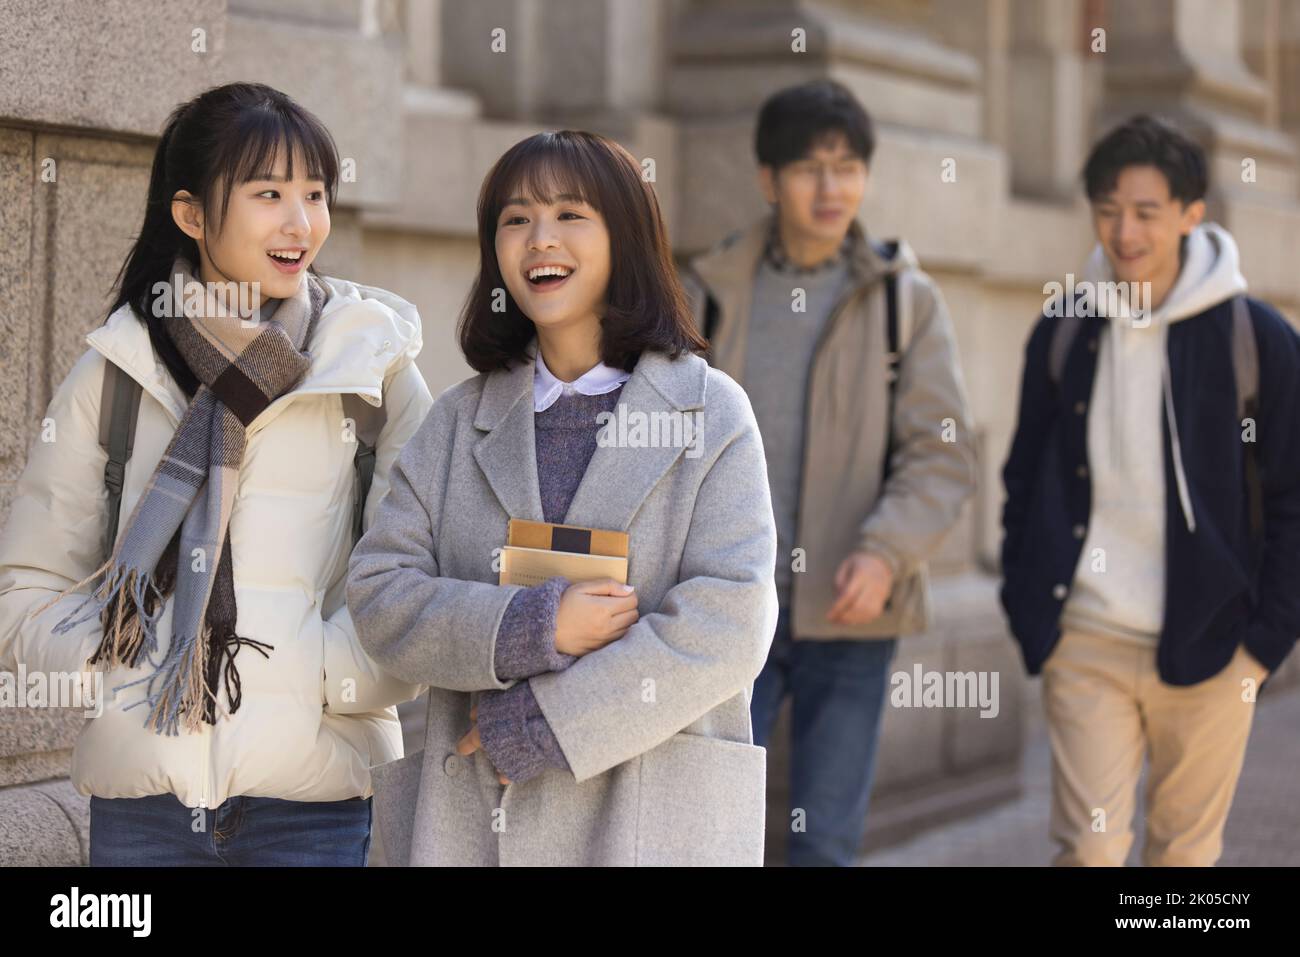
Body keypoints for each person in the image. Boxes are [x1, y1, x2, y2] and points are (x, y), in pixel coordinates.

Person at [0, 82, 432, 866]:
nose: (301, 223)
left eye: (315, 194)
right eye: (269, 194)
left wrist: (320, 676)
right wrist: (120, 668)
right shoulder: (121, 369)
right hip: (143, 812)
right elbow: (25, 582)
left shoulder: (371, 368)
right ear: (192, 214)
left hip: (312, 806)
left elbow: (422, 568)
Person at [347, 129, 779, 866]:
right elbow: (381, 593)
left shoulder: (711, 411)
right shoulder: (456, 420)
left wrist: (545, 720)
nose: (538, 239)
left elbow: (732, 618)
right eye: (516, 219)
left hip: (649, 820)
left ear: (627, 238)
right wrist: (530, 624)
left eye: (570, 214)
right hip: (479, 822)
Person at [682, 79, 977, 866]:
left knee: (827, 843)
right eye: (809, 167)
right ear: (769, 180)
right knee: (707, 830)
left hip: (853, 610)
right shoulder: (708, 293)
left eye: (847, 166)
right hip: (725, 603)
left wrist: (885, 552)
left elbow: (941, 452)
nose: (830, 186)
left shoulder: (902, 302)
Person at [1000, 114, 1300, 866]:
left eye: (1145, 212)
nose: (1123, 231)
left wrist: (1262, 648)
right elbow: (1022, 476)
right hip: (1088, 642)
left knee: (1182, 860)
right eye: (1107, 210)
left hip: (1215, 648)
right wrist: (1032, 604)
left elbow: (1293, 496)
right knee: (1091, 850)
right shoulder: (1065, 328)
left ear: (1192, 214)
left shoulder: (1256, 339)